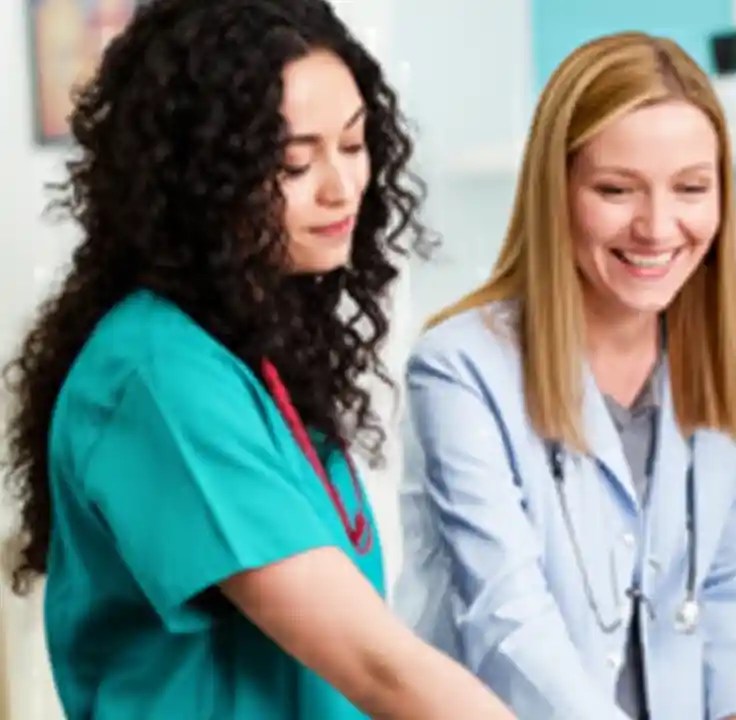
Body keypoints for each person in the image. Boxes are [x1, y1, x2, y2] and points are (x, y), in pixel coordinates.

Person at [1, 1, 515, 718]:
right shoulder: (158, 377)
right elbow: (376, 666)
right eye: (294, 162)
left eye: (355, 143)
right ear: (202, 178)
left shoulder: (259, 350)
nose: (341, 188)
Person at [394, 31, 736, 720]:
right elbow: (508, 614)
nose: (658, 226)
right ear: (557, 190)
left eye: (692, 188)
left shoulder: (721, 349)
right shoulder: (460, 368)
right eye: (615, 190)